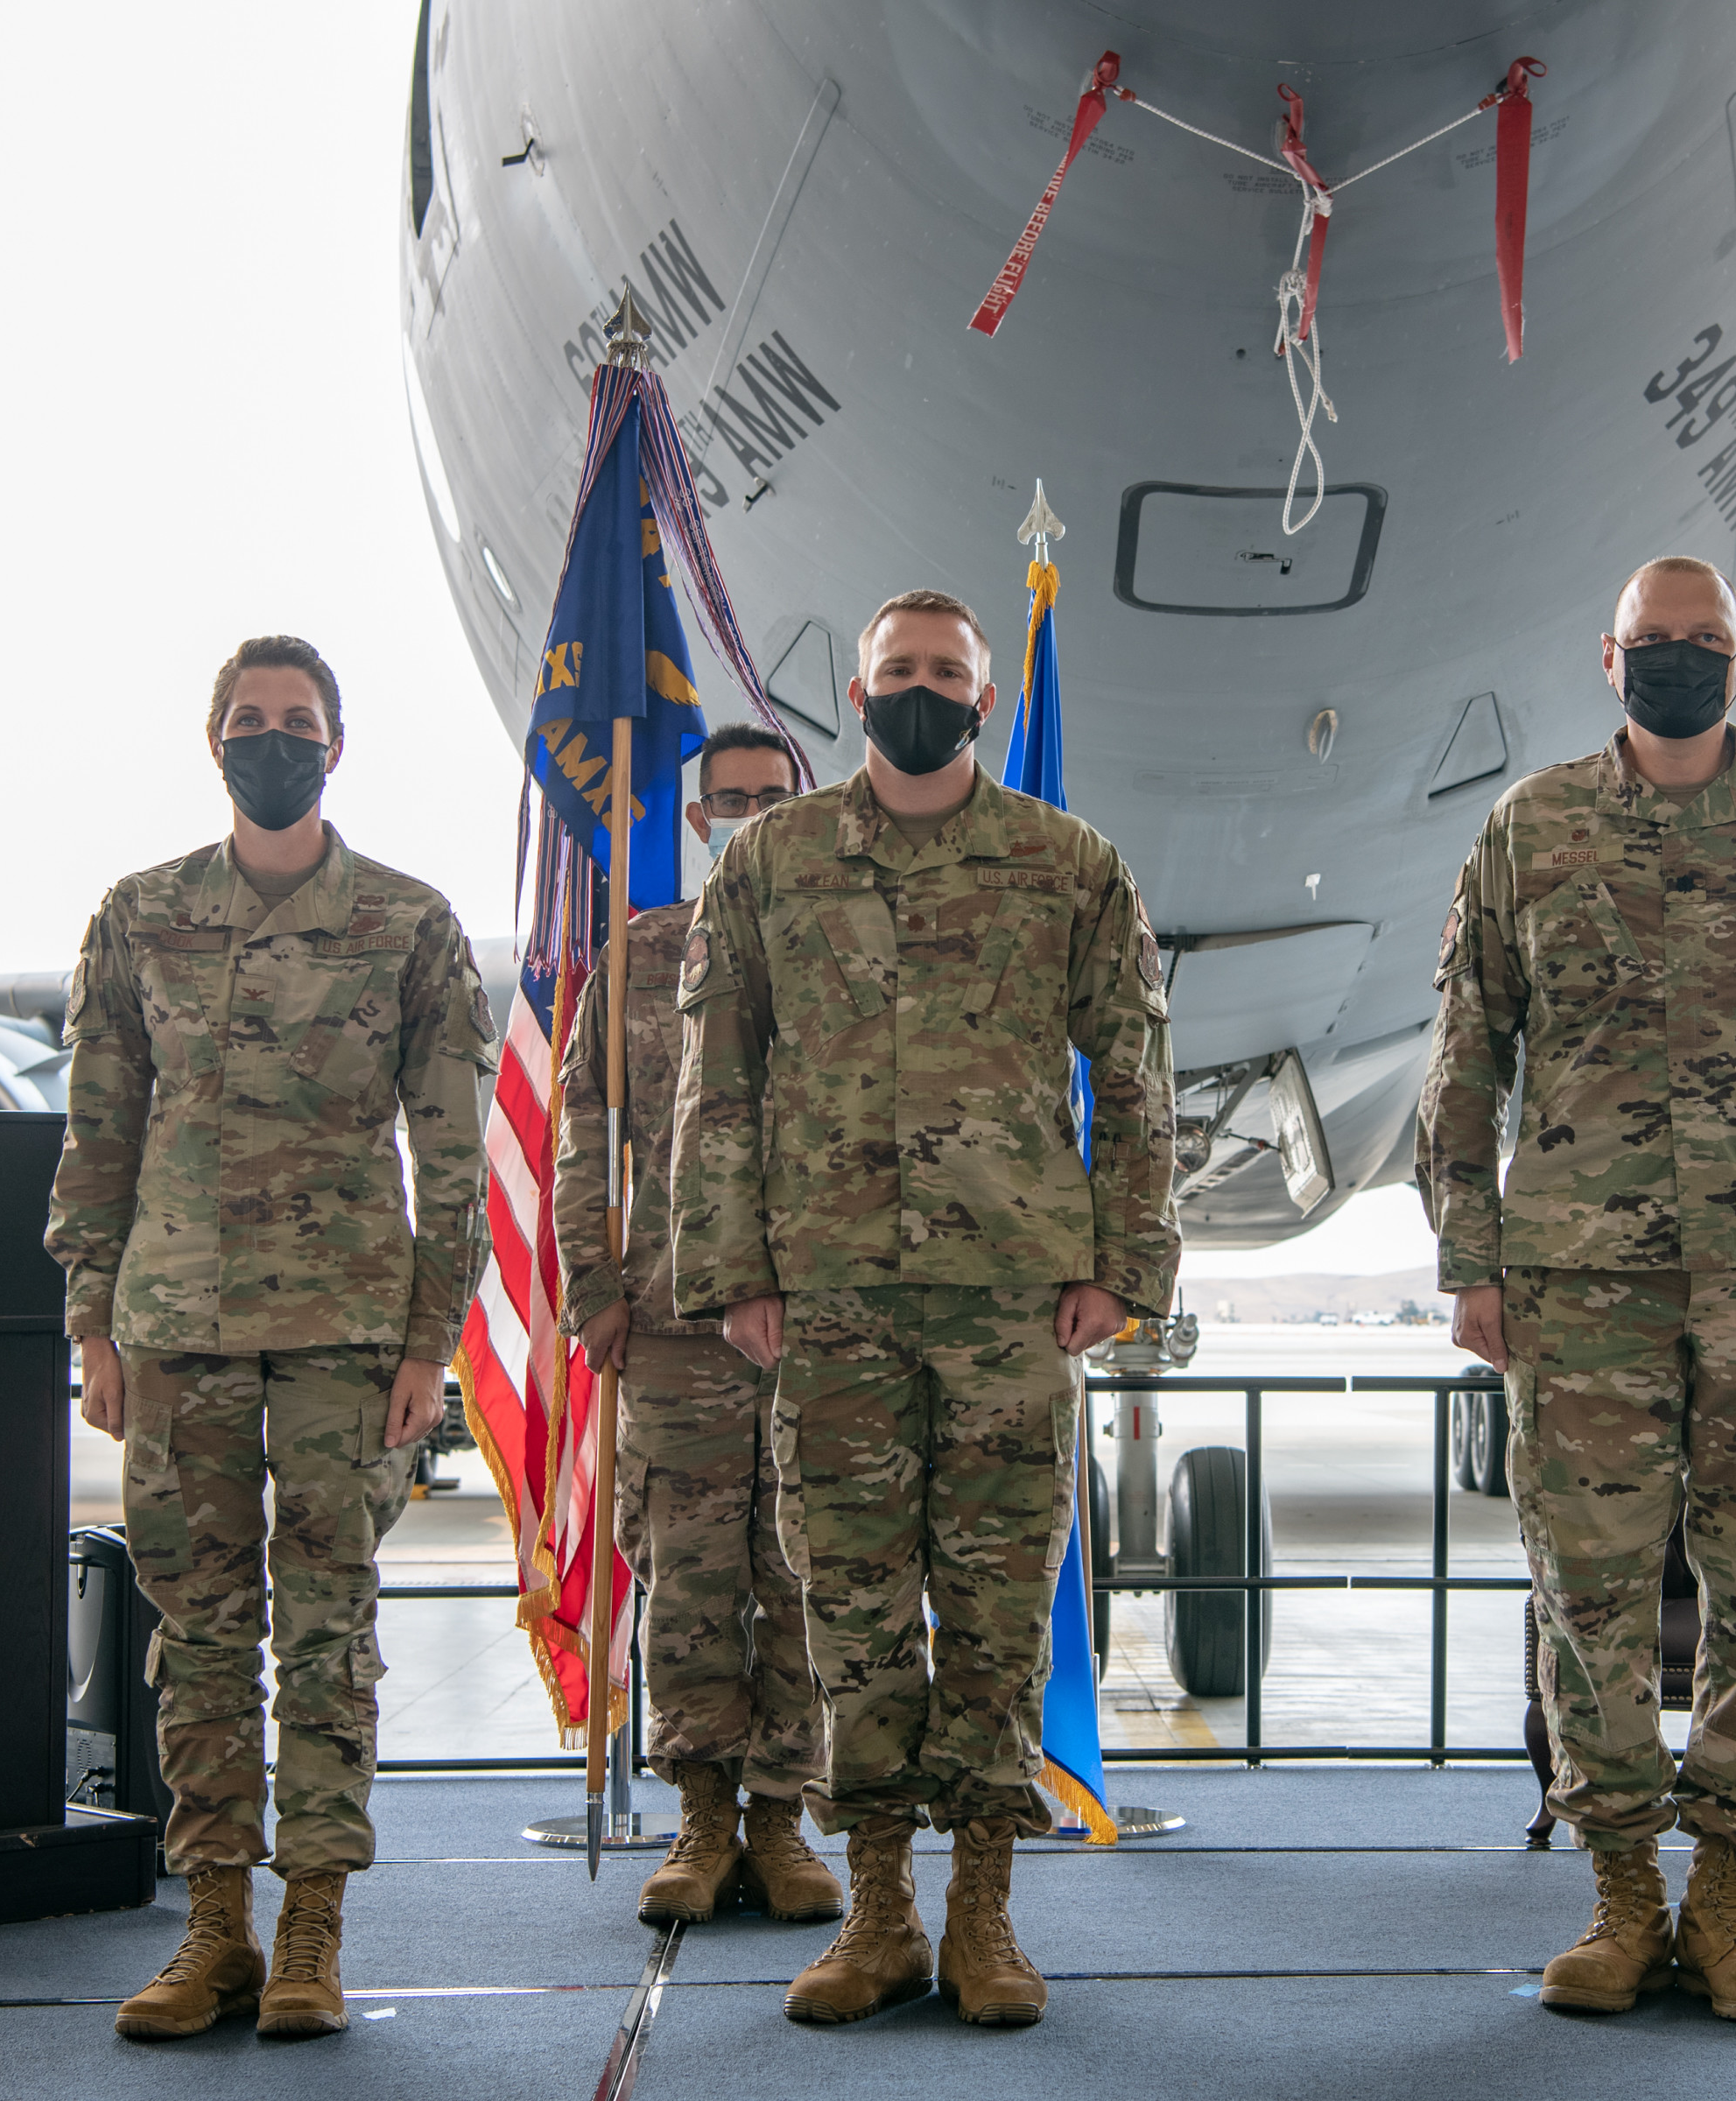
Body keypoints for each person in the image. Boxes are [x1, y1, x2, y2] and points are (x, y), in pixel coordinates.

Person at [1421, 556, 1736, 2027]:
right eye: (1656, 641)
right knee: (1587, 1596)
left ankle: (1730, 1904)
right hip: (1582, 1279)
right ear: (1610, 657)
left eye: (1705, 641)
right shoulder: (1533, 827)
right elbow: (1467, 1053)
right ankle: (1622, 1896)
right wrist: (1471, 1258)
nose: (1680, 660)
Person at [671, 588, 1177, 2030]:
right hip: (831, 1294)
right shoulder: (771, 863)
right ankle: (882, 1910)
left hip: (1014, 1297)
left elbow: (1136, 1066)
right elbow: (719, 1079)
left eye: (947, 672)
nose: (922, 689)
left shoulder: (1065, 862)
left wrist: (1124, 1265)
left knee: (1000, 1608)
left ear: (984, 698)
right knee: (854, 1610)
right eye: (899, 669)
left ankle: (985, 1913)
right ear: (856, 692)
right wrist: (733, 1269)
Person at [50, 636, 495, 2042]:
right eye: (249, 719)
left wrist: (430, 1342)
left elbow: (455, 1153)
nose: (273, 739)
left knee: (327, 1629)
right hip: (174, 1325)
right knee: (198, 1632)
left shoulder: (409, 922)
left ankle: (313, 1927)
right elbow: (99, 1132)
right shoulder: (139, 915)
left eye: (298, 721)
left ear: (336, 747)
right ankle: (214, 1927)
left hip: (346, 1331)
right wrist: (93, 1323)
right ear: (214, 742)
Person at [559, 720, 840, 1929]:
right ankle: (703, 1818)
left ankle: (780, 1820)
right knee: (686, 1584)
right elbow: (584, 1129)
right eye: (730, 800)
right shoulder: (639, 959)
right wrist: (591, 1288)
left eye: (772, 798)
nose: (749, 817)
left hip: (823, 1321)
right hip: (677, 1327)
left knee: (803, 1576)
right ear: (696, 817)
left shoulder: (844, 947)